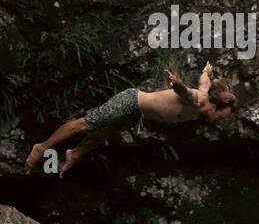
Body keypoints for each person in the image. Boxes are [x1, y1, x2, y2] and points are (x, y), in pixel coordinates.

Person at [24, 62, 238, 177]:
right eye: (220, 116)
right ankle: (41, 147)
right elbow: (185, 93)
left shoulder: (206, 94)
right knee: (85, 124)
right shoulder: (199, 102)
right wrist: (176, 83)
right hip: (131, 101)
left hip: (138, 113)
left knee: (103, 134)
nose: (218, 120)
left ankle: (75, 153)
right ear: (215, 106)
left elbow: (204, 82)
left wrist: (206, 70)